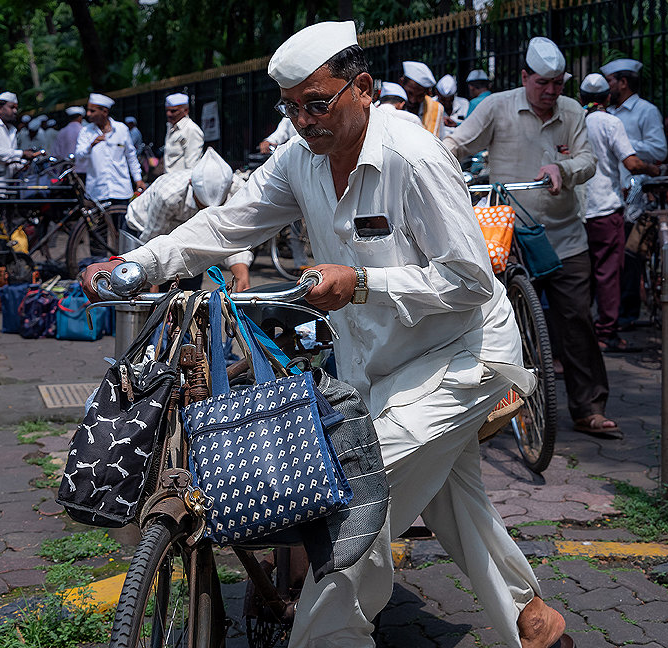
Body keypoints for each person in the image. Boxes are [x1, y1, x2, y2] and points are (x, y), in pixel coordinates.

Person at [80, 21, 573, 648]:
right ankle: (536, 625)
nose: (304, 122)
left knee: (351, 498)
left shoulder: (414, 158)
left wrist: (363, 282)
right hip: (380, 366)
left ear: (362, 88)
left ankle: (326, 637)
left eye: (317, 104)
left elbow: (472, 280)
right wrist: (138, 264)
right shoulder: (300, 158)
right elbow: (229, 223)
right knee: (452, 497)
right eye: (291, 109)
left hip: (460, 359)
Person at [444, 37, 619, 438]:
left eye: (558, 83)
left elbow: (587, 160)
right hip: (509, 236)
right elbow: (457, 143)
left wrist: (562, 169)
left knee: (577, 319)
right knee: (503, 323)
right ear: (524, 77)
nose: (551, 91)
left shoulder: (572, 111)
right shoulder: (497, 106)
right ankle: (501, 409)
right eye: (543, 83)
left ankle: (589, 408)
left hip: (564, 236)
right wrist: (438, 166)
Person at [578, 73, 661, 352]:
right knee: (608, 273)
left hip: (577, 210)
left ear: (581, 97)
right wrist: (653, 169)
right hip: (605, 208)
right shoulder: (611, 122)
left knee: (581, 274)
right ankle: (606, 333)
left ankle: (582, 333)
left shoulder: (572, 120)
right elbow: (632, 163)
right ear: (607, 98)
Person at [124, 147, 252, 292]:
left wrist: (241, 274)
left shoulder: (239, 191)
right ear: (191, 184)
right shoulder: (169, 194)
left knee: (190, 292)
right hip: (143, 229)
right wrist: (151, 284)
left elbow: (231, 234)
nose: (207, 212)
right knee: (140, 290)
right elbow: (152, 238)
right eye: (202, 205)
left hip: (189, 237)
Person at [601, 58, 668, 330]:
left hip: (635, 195)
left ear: (623, 82)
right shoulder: (607, 112)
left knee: (630, 256)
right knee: (610, 258)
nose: (607, 86)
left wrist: (623, 143)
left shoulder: (645, 111)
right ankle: (611, 313)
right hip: (609, 193)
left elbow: (659, 149)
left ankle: (627, 315)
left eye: (610, 81)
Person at [75, 92, 146, 212]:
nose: (88, 114)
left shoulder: (121, 129)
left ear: (104, 112)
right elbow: (79, 157)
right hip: (97, 192)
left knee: (123, 221)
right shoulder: (85, 132)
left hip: (121, 190)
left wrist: (138, 179)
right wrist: (90, 146)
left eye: (92, 111)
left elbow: (131, 156)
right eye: (88, 110)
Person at [399, 60, 444, 136]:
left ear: (427, 93)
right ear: (401, 83)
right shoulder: (389, 106)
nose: (413, 100)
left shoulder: (436, 109)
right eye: (410, 93)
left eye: (419, 96)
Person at [162, 92, 203, 172]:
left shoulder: (191, 129)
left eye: (173, 111)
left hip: (181, 178)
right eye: (167, 110)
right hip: (169, 177)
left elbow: (192, 165)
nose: (168, 114)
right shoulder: (171, 126)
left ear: (186, 111)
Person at [436, 74, 468, 139]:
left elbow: (470, 125)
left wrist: (456, 124)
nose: (447, 104)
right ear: (437, 93)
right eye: (443, 100)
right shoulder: (431, 104)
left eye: (450, 100)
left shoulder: (464, 103)